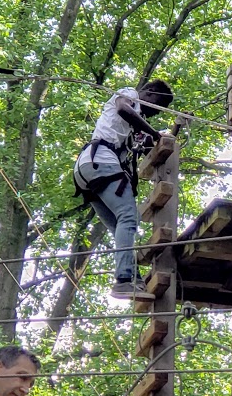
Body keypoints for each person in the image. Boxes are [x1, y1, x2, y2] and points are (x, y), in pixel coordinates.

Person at [73, 79, 174, 299]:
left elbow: (149, 144)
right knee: (128, 217)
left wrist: (168, 132)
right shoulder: (130, 95)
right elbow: (123, 108)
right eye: (157, 106)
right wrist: (156, 134)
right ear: (149, 93)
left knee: (121, 225)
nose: (154, 114)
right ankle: (124, 280)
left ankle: (133, 279)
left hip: (88, 170)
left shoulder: (131, 126)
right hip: (99, 161)